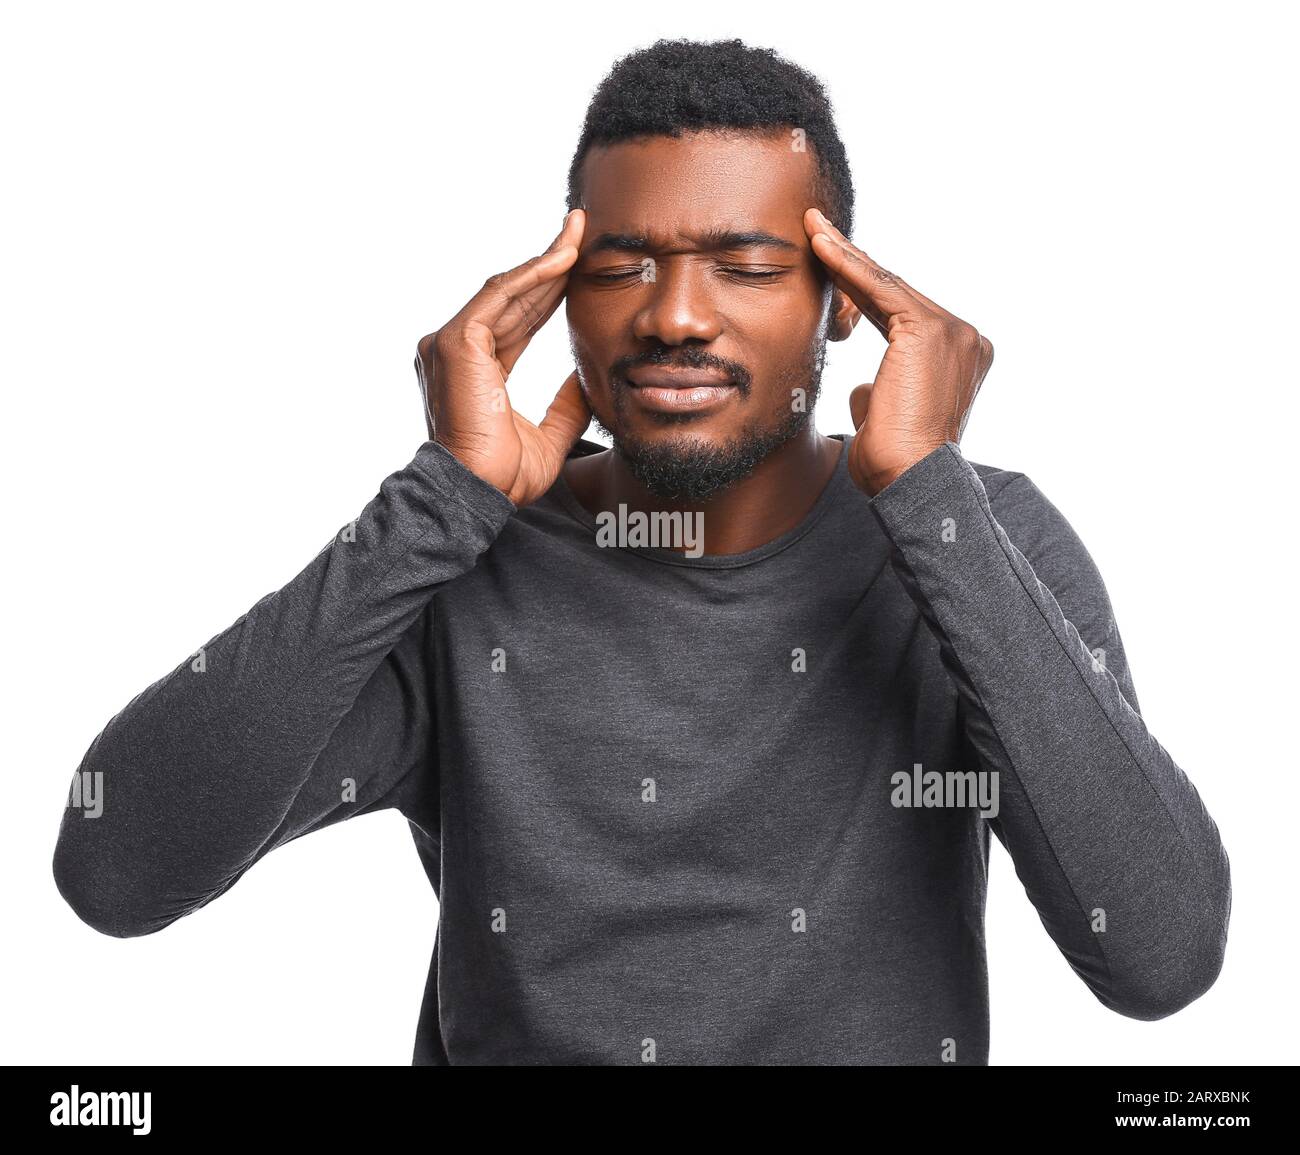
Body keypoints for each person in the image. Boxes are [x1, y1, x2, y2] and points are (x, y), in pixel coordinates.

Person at [53, 37, 1230, 1065]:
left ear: (841, 303)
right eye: (619, 266)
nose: (673, 313)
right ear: (557, 299)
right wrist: (436, 507)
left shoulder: (981, 539)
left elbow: (1159, 960)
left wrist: (930, 494)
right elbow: (115, 872)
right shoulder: (461, 564)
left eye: (748, 265)